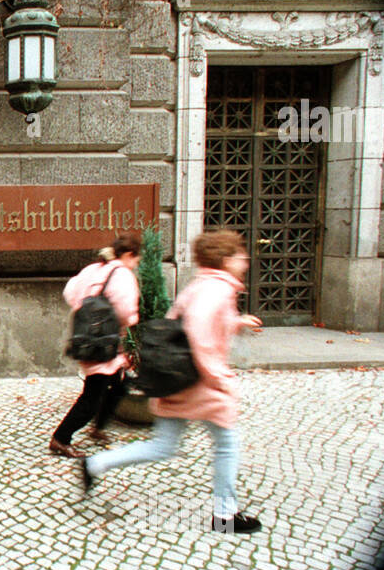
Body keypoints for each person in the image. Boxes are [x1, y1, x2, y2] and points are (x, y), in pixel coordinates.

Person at [79, 228, 265, 534]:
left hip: (180, 381)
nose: (245, 260)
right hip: (198, 382)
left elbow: (190, 319)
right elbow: (198, 331)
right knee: (227, 443)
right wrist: (218, 379)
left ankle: (95, 464)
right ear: (226, 259)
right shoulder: (216, 289)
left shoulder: (204, 284)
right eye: (240, 255)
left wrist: (235, 321)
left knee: (163, 445)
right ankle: (226, 517)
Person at [48, 233, 142, 459]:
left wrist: (87, 310)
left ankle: (98, 428)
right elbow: (128, 314)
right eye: (137, 260)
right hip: (103, 343)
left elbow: (69, 292)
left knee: (118, 385)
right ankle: (61, 438)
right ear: (129, 255)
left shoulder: (93, 269)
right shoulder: (123, 275)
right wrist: (120, 320)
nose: (136, 264)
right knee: (92, 395)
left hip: (88, 338)